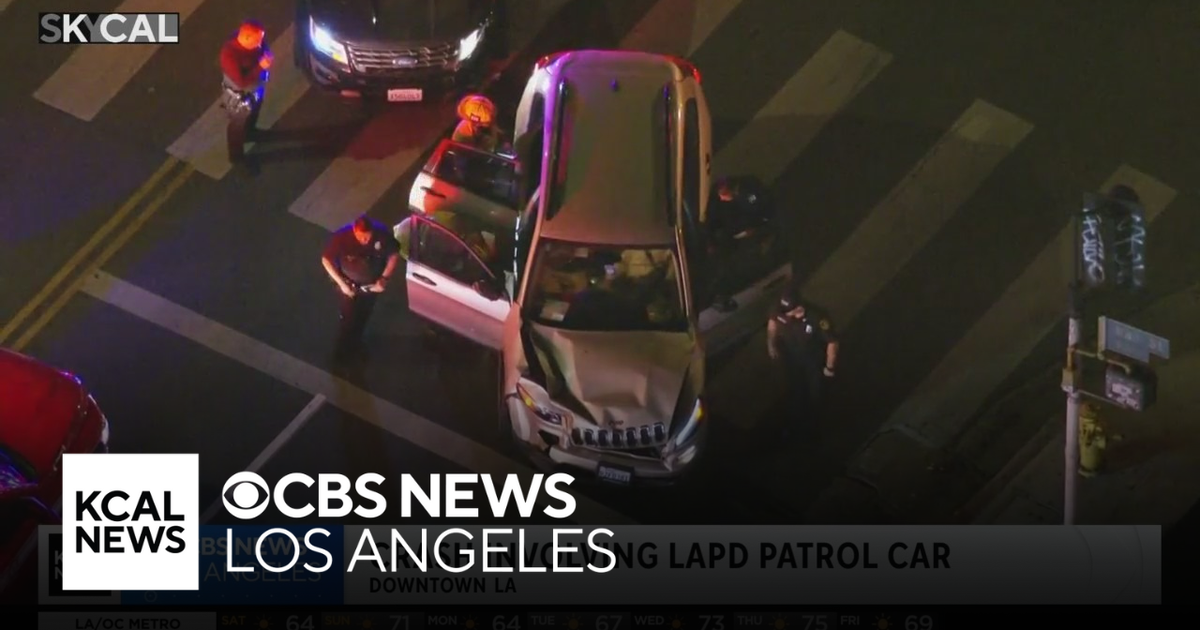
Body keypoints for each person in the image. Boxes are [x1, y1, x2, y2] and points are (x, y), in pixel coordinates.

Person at [321, 215, 400, 353]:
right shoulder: (342, 237)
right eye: (361, 237)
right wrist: (342, 285)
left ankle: (357, 341)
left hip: (371, 287)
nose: (365, 241)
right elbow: (326, 260)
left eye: (367, 237)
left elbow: (393, 255)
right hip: (350, 287)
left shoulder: (381, 234)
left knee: (364, 315)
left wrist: (384, 279)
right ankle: (342, 352)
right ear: (354, 231)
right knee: (348, 319)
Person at [767, 284, 838, 432]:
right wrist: (771, 344)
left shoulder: (817, 316)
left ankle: (817, 423)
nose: (785, 315)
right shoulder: (781, 309)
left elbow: (832, 342)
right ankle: (795, 421)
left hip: (812, 359)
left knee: (816, 392)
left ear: (798, 308)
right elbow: (772, 323)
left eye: (789, 312)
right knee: (795, 389)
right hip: (791, 357)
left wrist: (829, 367)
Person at [706, 176, 775, 312]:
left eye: (724, 195)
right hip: (729, 234)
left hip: (744, 236)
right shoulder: (719, 200)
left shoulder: (749, 198)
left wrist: (756, 230)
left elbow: (763, 216)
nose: (721, 198)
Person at [220, 20, 272, 164]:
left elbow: (264, 47)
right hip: (239, 95)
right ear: (246, 38)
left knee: (255, 111)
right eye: (257, 40)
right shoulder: (229, 55)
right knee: (237, 125)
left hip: (255, 88)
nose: (260, 43)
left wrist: (266, 54)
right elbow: (241, 82)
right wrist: (261, 66)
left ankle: (250, 132)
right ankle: (236, 157)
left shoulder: (256, 42)